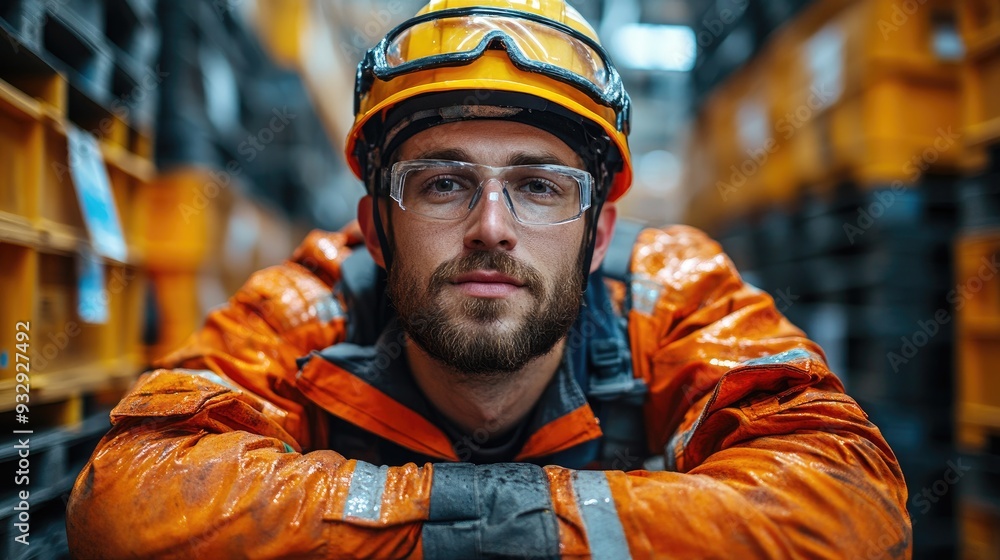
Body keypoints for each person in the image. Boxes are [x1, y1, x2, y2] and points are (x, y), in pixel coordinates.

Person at [66, 1, 911, 558]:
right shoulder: (317, 302)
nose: (492, 227)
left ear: (598, 232)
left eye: (541, 186)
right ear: (376, 228)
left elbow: (853, 508)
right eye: (442, 182)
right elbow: (126, 503)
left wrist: (481, 525)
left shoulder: (670, 292)